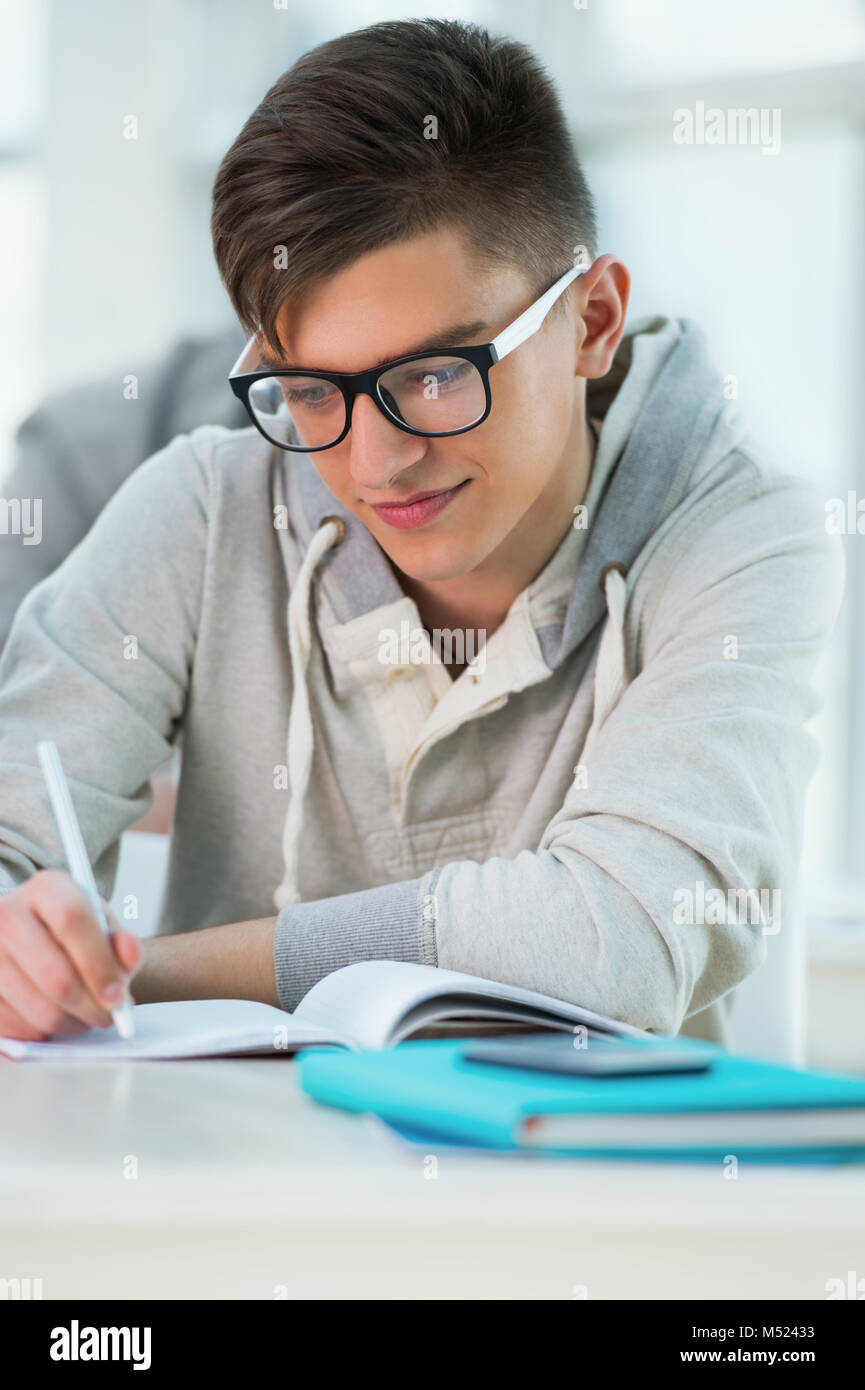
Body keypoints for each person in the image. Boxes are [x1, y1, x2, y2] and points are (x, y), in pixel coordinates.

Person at [0, 18, 843, 1044]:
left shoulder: (744, 540)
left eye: (435, 376)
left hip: (592, 1194)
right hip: (224, 1187)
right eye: (312, 390)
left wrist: (142, 975)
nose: (374, 462)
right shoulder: (202, 514)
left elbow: (612, 940)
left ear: (591, 319)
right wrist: (27, 947)